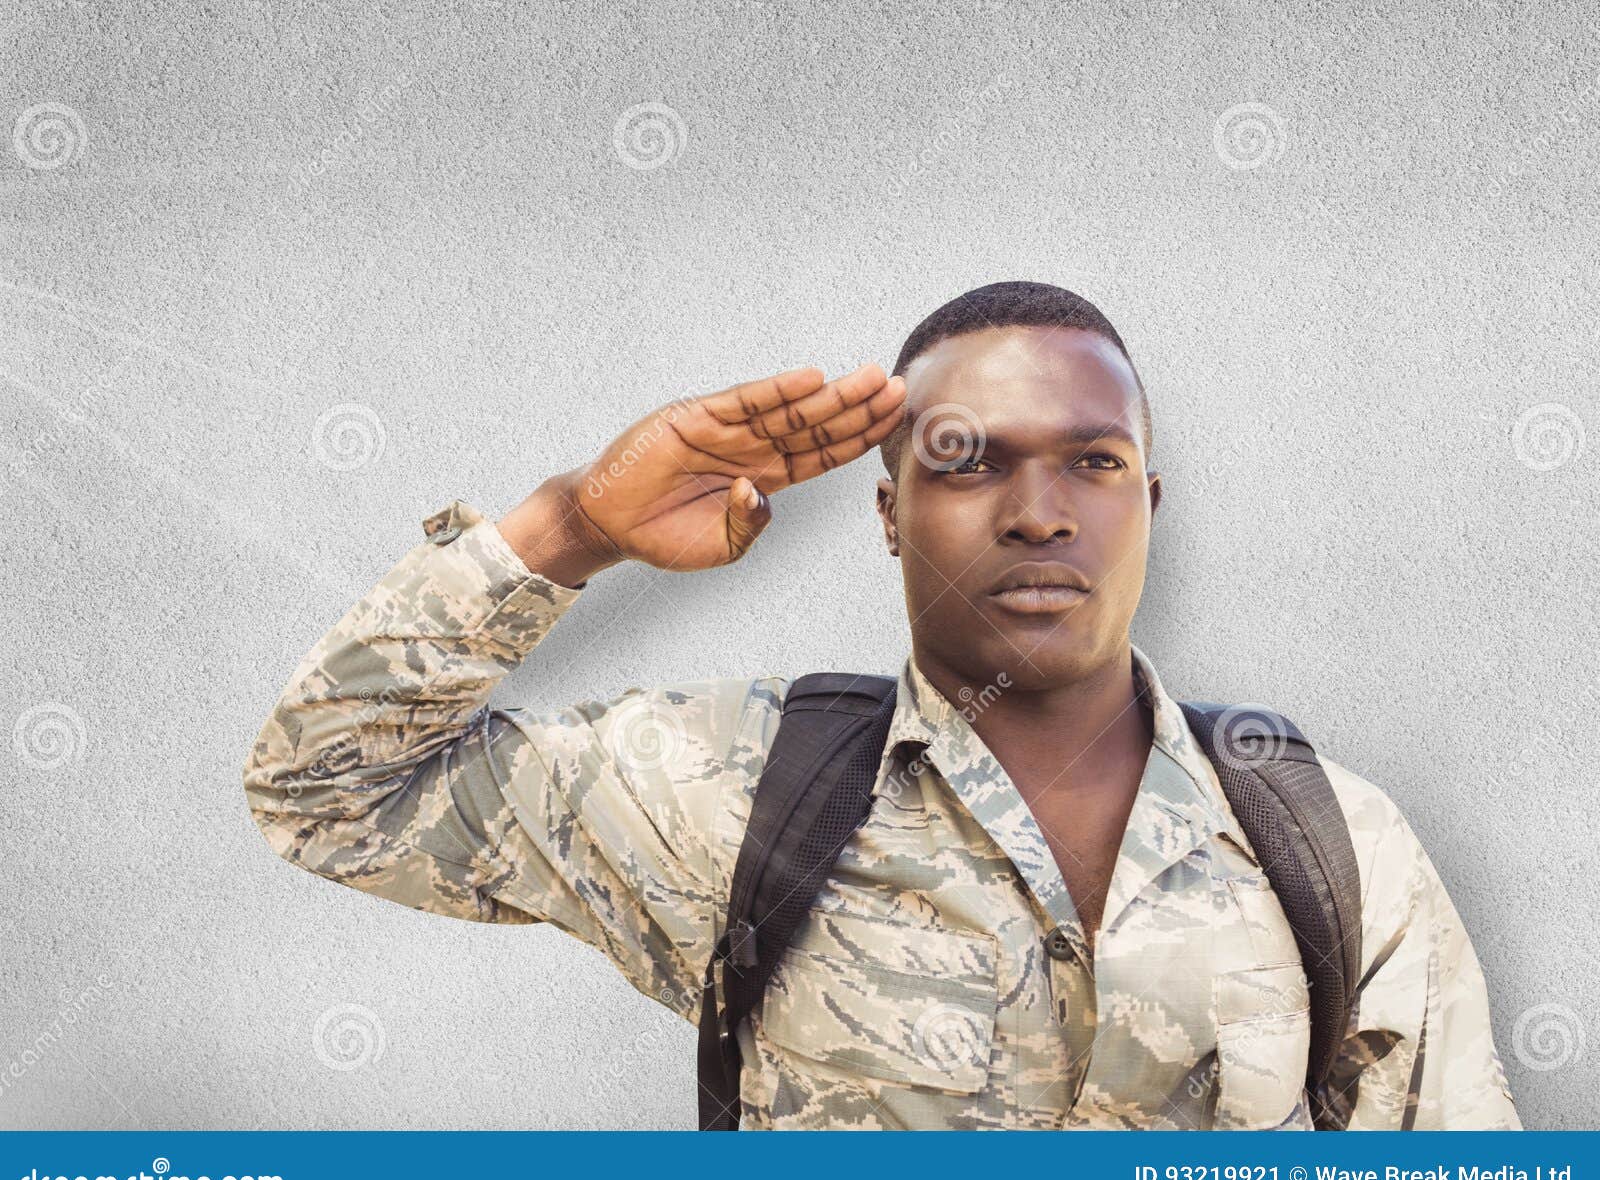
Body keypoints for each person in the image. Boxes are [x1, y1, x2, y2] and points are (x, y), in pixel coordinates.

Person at [243, 280, 1521, 1130]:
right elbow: (327, 794)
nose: (1037, 512)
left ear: (1148, 506)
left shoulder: (1331, 838)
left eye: (1094, 461)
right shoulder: (725, 789)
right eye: (968, 464)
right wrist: (569, 525)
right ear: (888, 511)